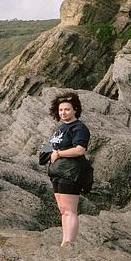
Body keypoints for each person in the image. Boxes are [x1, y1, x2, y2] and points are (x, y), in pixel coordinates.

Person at [46, 91, 90, 247]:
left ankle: (69, 243)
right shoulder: (61, 128)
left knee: (70, 210)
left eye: (67, 109)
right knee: (63, 209)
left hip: (71, 173)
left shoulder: (79, 127)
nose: (63, 113)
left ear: (75, 110)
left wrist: (58, 153)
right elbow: (52, 147)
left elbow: (80, 150)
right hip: (57, 172)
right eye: (61, 110)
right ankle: (64, 241)